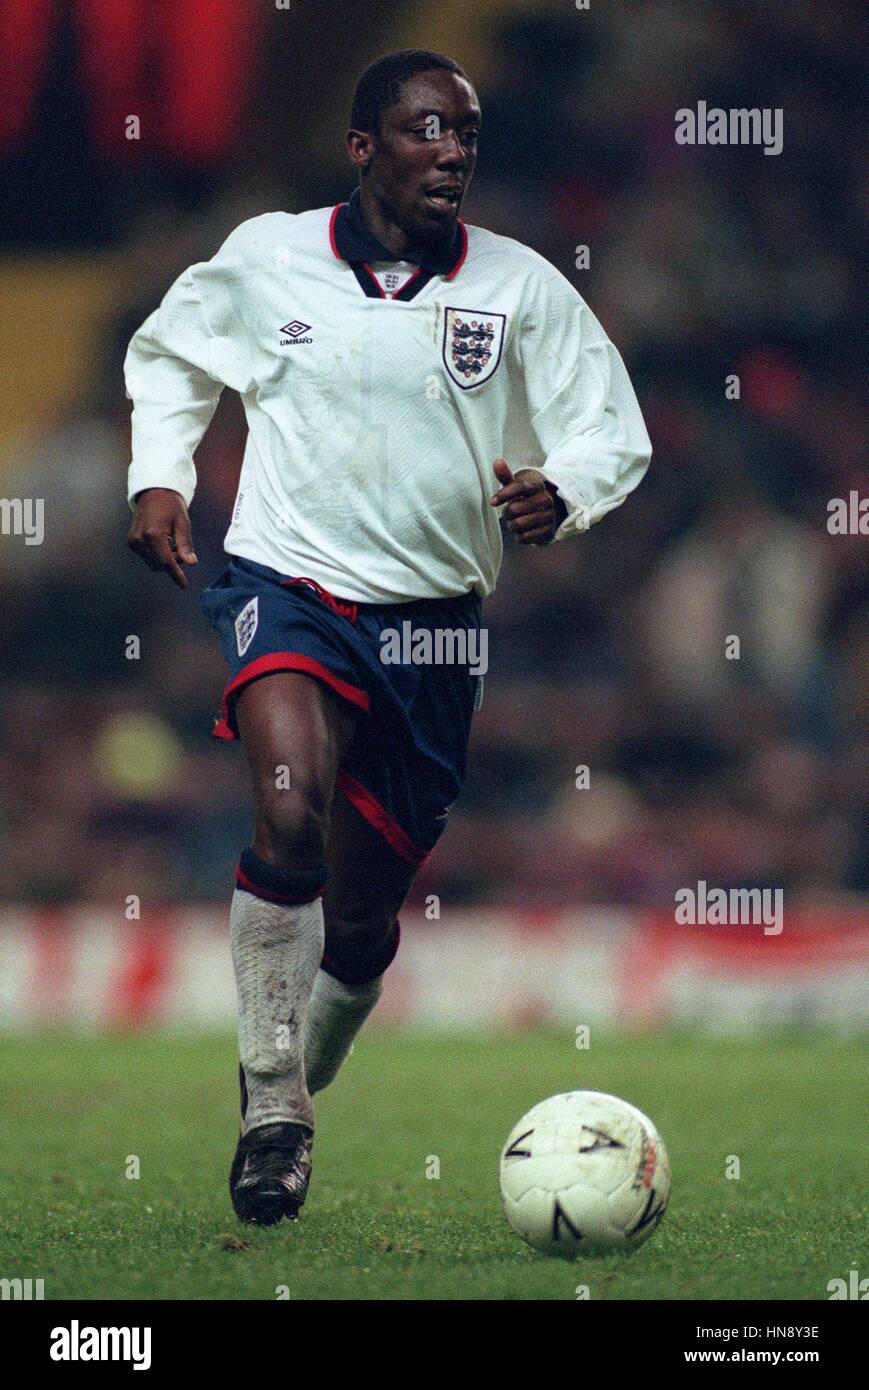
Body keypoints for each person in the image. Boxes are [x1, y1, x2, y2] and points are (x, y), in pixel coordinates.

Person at [124, 49, 652, 1225]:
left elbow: (608, 427)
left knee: (358, 923)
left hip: (432, 634)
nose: (452, 153)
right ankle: (270, 1106)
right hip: (289, 588)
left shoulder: (515, 288)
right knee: (286, 805)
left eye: (464, 134)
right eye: (425, 130)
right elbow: (169, 351)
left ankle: (297, 1060)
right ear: (363, 146)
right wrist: (158, 477)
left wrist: (563, 492)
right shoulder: (268, 257)